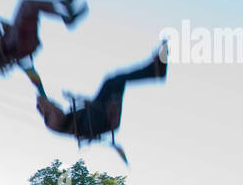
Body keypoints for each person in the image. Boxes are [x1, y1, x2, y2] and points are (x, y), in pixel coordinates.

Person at [35, 43, 168, 162]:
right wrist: (44, 100)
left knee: (114, 80)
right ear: (44, 110)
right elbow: (59, 117)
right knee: (111, 82)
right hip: (92, 125)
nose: (55, 104)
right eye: (52, 104)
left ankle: (154, 71)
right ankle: (154, 71)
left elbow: (63, 113)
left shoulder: (54, 117)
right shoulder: (50, 122)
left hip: (93, 119)